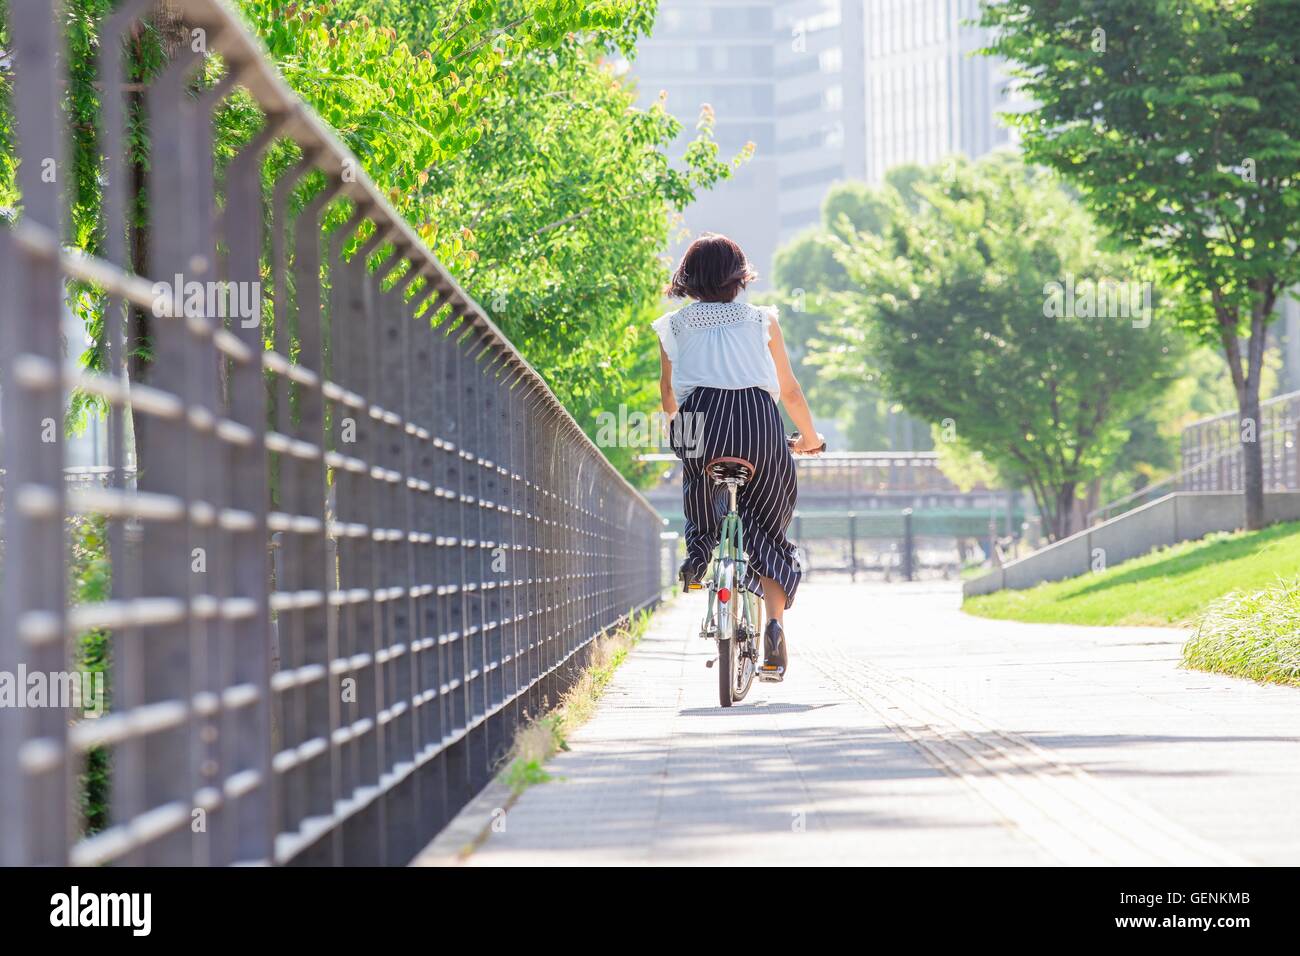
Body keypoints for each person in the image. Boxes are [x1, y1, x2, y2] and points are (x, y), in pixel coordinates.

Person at [653, 233, 824, 679]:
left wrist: (681, 436)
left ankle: (698, 553)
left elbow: (668, 395)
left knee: (699, 484)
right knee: (768, 524)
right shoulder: (761, 320)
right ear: (740, 278)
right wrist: (809, 437)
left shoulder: (673, 325)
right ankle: (773, 626)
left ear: (687, 280)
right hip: (758, 423)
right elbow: (789, 390)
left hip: (698, 422)